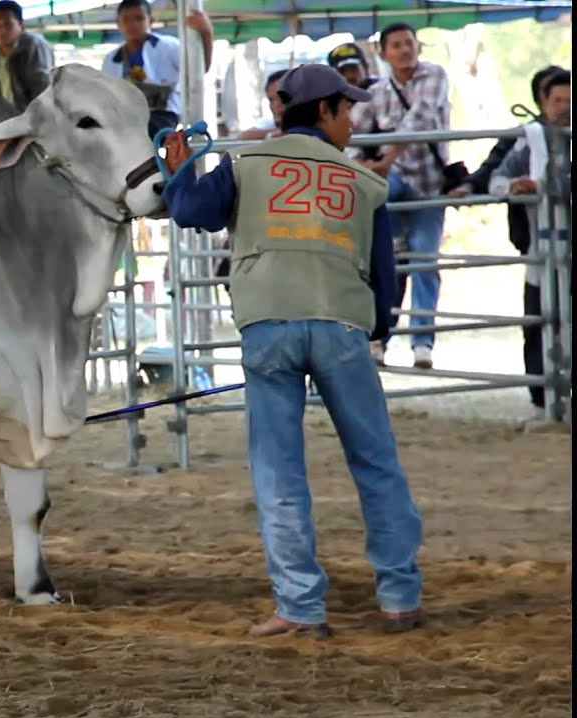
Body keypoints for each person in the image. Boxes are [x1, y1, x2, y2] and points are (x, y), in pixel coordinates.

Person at [158, 63, 425, 637]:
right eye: (347, 109)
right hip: (342, 328)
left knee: (279, 470)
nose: (353, 120)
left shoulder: (246, 165)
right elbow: (384, 274)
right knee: (376, 462)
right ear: (324, 111)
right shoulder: (362, 183)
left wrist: (179, 173)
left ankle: (300, 606)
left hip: (267, 326)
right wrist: (373, 330)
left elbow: (189, 213)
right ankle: (399, 595)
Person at [354, 22, 455, 369]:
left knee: (425, 261)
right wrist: (361, 164)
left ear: (419, 47)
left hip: (426, 182)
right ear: (383, 53)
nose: (403, 50)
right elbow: (351, 127)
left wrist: (384, 160)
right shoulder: (378, 91)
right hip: (392, 180)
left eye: (408, 43)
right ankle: (380, 336)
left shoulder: (434, 76)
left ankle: (422, 342)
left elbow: (420, 118)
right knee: (388, 262)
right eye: (395, 45)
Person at [489, 69, 571, 418]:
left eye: (570, 101)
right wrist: (515, 187)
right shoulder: (530, 142)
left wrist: (545, 188)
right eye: (558, 101)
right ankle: (541, 400)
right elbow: (495, 181)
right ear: (543, 103)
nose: (565, 107)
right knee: (537, 322)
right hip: (542, 250)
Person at [100, 0, 213, 137]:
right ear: (118, 24)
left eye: (139, 18)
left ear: (150, 21)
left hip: (162, 117)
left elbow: (199, 70)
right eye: (126, 20)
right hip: (126, 120)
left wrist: (206, 33)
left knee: (141, 135)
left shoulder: (168, 46)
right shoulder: (111, 59)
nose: (133, 25)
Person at [0, 0, 53, 113]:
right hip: (1, 117)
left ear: (21, 26)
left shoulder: (33, 45)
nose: (2, 30)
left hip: (30, 117)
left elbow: (42, 86)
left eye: (7, 24)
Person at [236, 69, 289, 141]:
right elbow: (243, 136)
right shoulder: (268, 124)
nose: (276, 104)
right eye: (271, 100)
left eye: (281, 97)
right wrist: (273, 134)